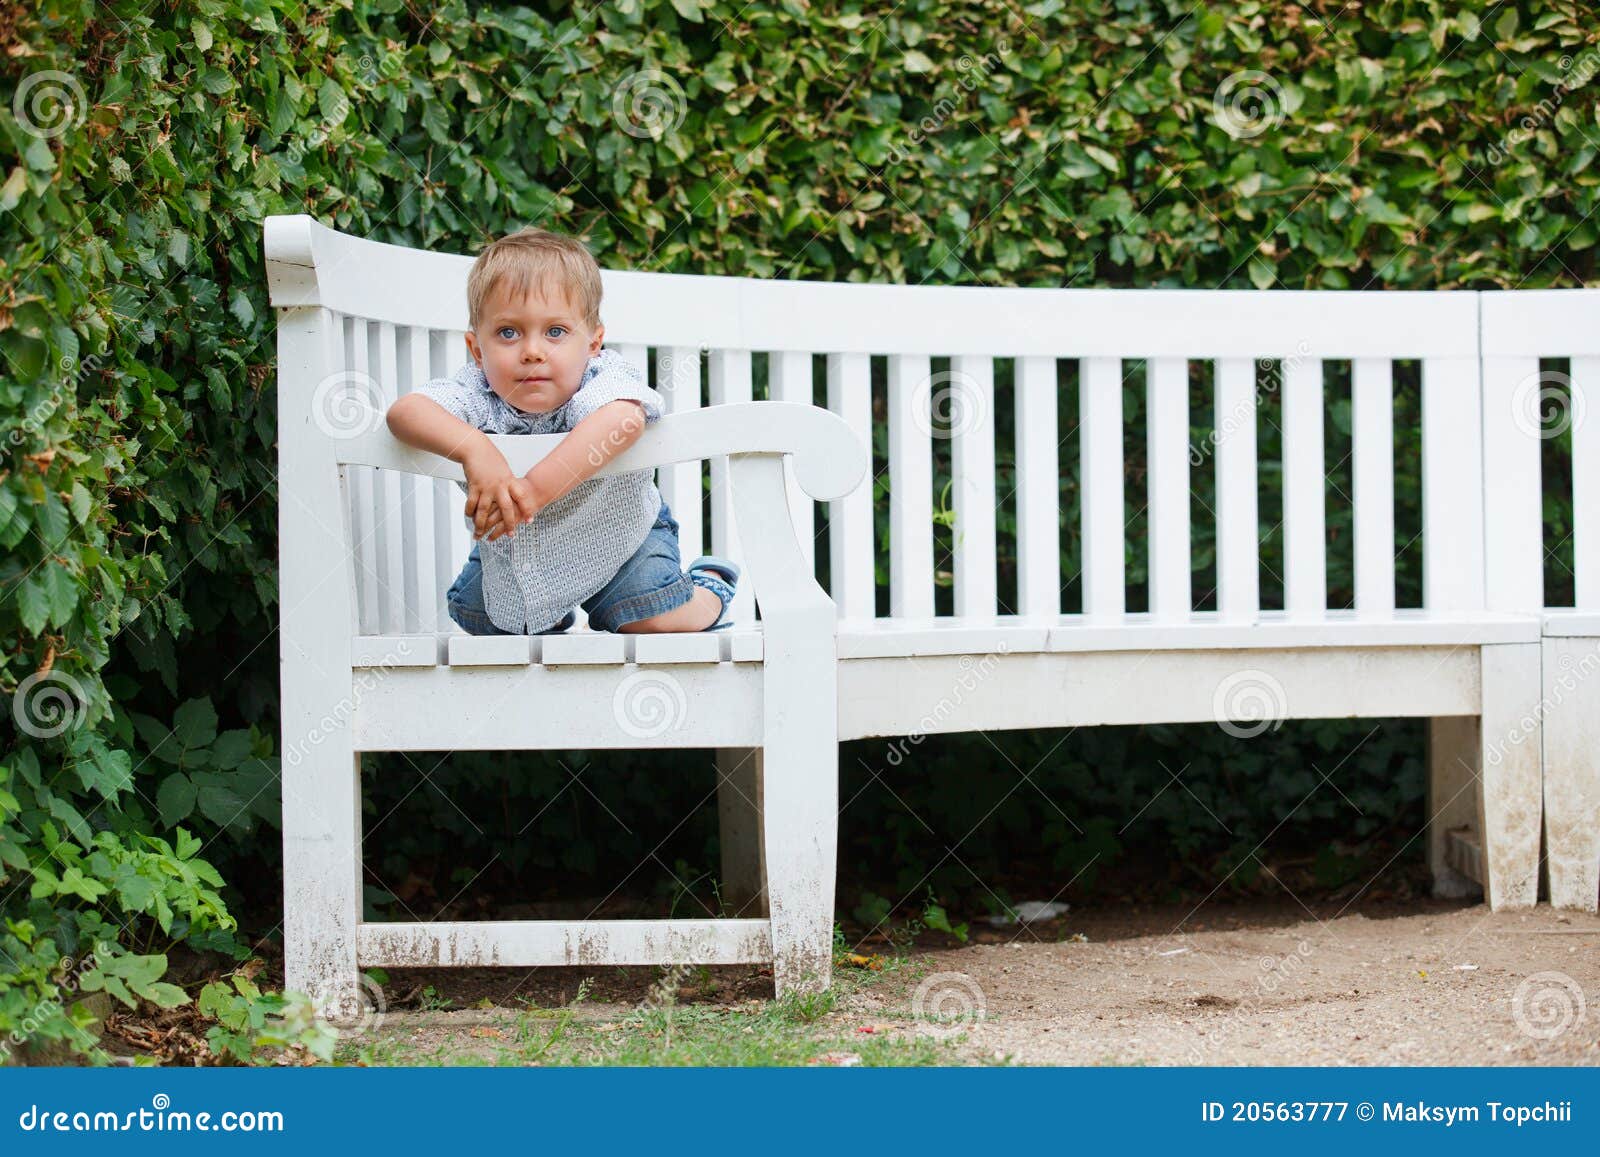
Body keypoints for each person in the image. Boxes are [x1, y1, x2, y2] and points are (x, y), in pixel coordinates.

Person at [384, 226, 738, 636]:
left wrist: (534, 490)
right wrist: (475, 449)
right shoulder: (477, 392)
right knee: (479, 617)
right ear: (477, 349)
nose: (532, 350)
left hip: (620, 539)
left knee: (648, 617)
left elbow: (623, 420)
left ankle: (710, 587)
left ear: (592, 344)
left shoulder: (600, 378)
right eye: (508, 333)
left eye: (555, 332)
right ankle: (548, 611)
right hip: (519, 550)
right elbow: (405, 413)